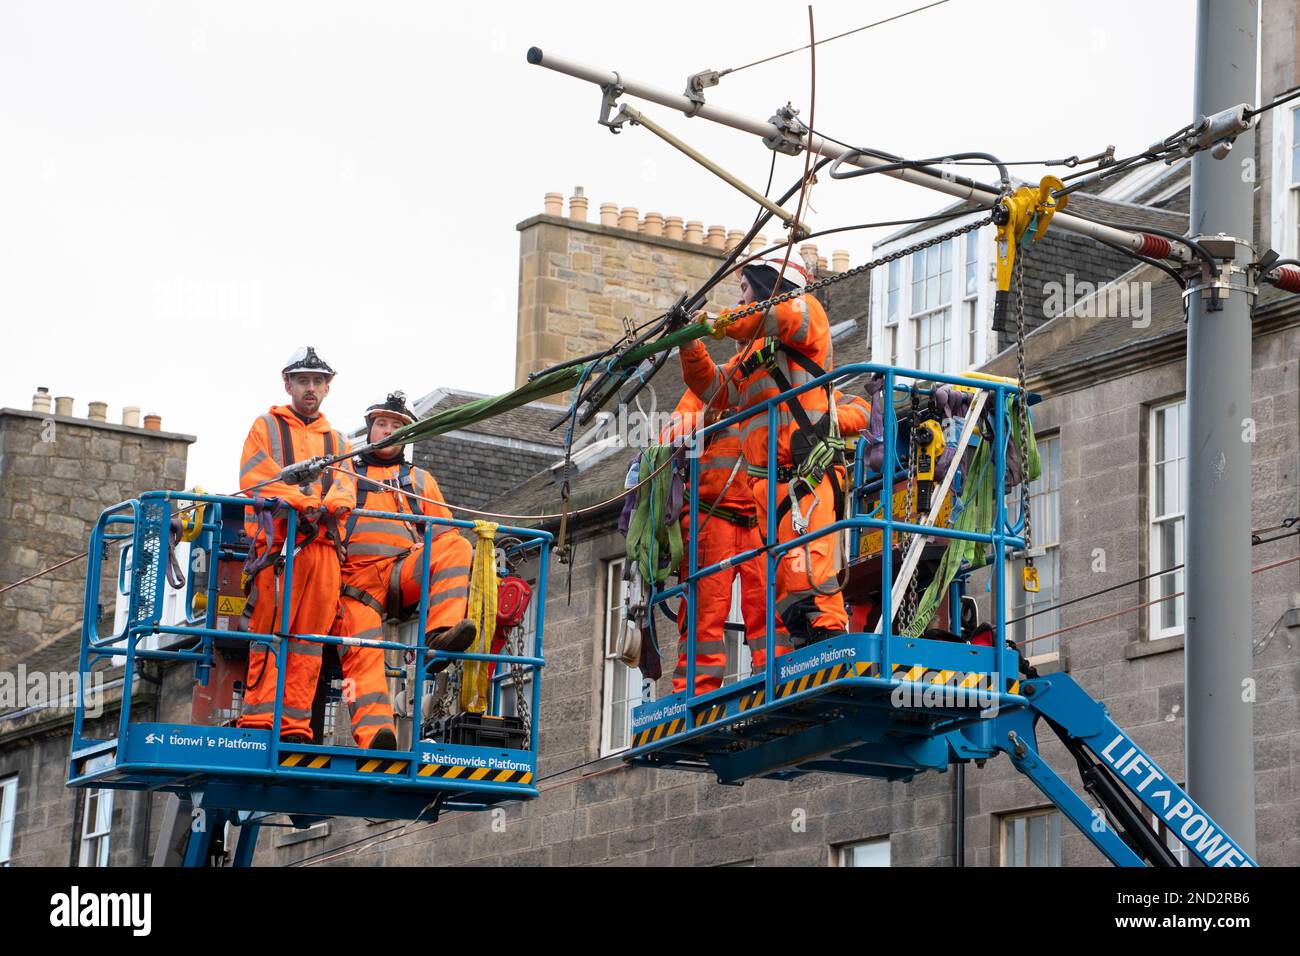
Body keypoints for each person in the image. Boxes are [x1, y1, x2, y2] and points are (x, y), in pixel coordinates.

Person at [680, 260, 852, 648]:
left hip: (806, 473)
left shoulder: (805, 312)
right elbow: (717, 389)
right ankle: (805, 646)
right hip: (768, 485)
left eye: (745, 285)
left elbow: (774, 316)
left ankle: (831, 642)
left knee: (813, 573)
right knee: (789, 588)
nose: (740, 294)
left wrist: (717, 321)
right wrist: (689, 345)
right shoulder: (756, 351)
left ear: (767, 285)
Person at [336, 391, 476, 747]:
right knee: (363, 652)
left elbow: (445, 534)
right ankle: (376, 735)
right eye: (382, 423)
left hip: (401, 571)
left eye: (396, 425)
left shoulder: (420, 480)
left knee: (457, 546)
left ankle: (440, 635)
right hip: (354, 584)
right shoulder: (343, 473)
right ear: (370, 429)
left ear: (407, 434)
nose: (388, 431)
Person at [236, 346, 355, 744]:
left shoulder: (337, 439)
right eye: (303, 380)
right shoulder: (265, 427)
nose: (310, 388)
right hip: (278, 549)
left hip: (321, 549)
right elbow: (257, 476)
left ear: (328, 387)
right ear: (287, 384)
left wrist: (334, 505)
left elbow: (345, 485)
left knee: (309, 642)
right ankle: (257, 721)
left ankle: (293, 725)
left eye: (317, 381)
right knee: (270, 632)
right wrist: (304, 501)